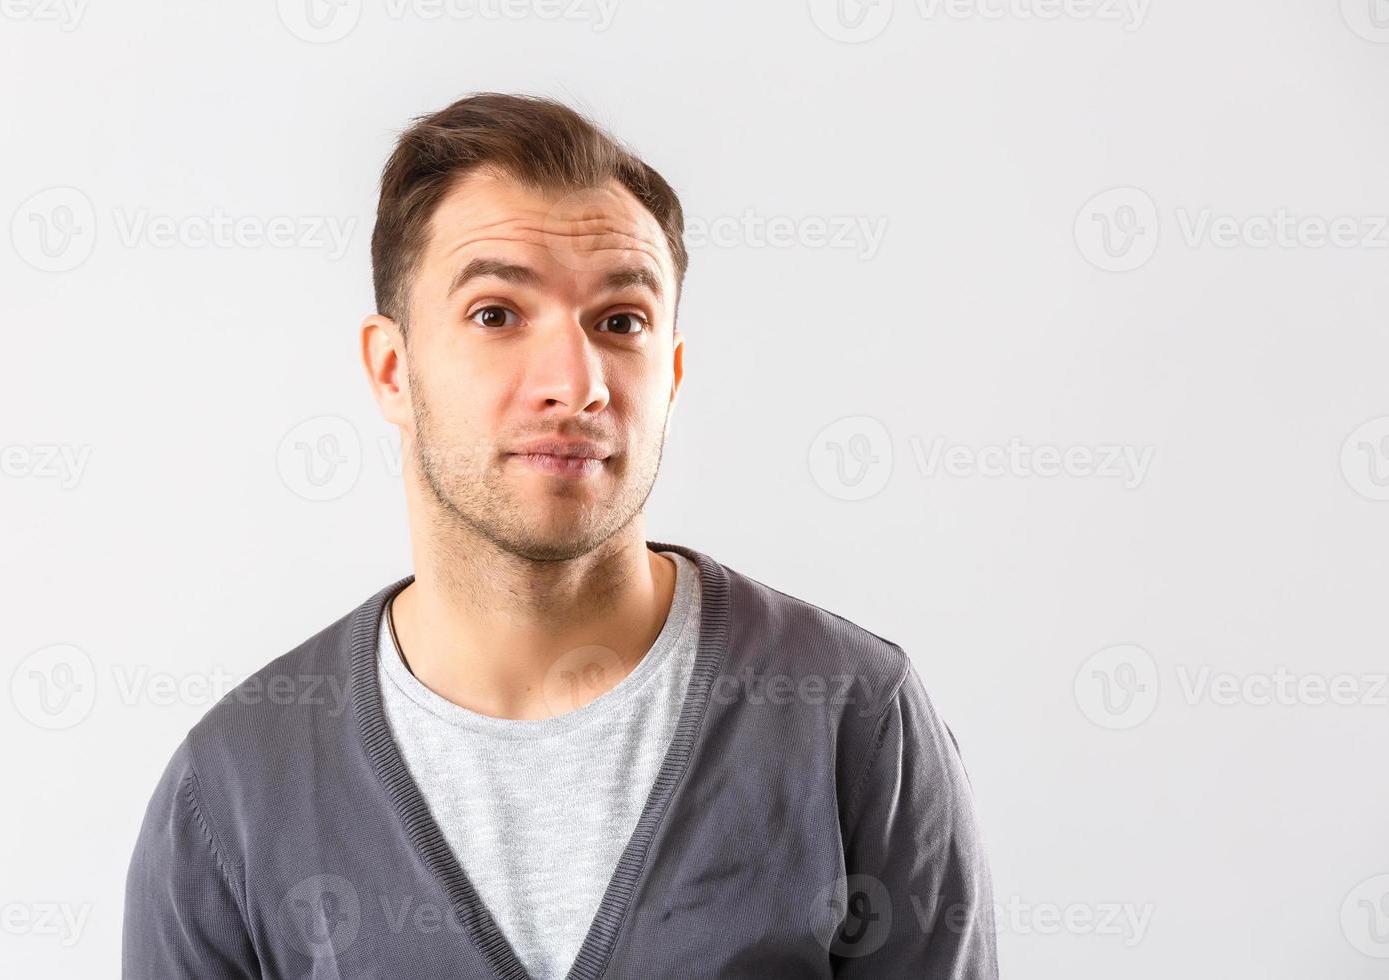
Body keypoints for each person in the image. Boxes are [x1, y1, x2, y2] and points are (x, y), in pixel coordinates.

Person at [123, 91, 999, 979]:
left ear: (673, 373)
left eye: (621, 323)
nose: (575, 383)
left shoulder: (848, 716)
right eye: (496, 314)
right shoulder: (235, 790)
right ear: (392, 370)